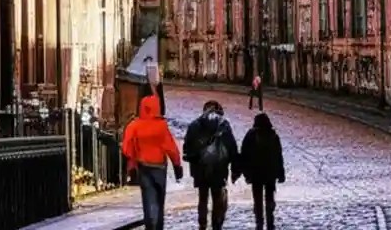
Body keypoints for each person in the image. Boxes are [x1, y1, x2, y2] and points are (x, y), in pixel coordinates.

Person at [121, 95, 183, 230]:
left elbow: (127, 148)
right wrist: (177, 166)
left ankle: (151, 226)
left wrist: (131, 166)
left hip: (143, 166)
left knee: (149, 199)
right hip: (160, 166)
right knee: (159, 200)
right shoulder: (161, 126)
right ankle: (158, 226)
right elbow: (171, 148)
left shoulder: (134, 126)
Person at [183, 100, 240, 230]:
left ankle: (202, 224)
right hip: (219, 168)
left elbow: (187, 148)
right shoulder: (224, 125)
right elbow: (232, 147)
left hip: (200, 168)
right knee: (217, 196)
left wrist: (193, 160)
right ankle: (216, 224)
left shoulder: (195, 125)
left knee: (203, 197)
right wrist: (236, 169)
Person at [239, 112, 286, 230]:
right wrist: (281, 173)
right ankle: (270, 221)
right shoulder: (273, 135)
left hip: (256, 173)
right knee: (270, 196)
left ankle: (259, 222)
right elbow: (278, 155)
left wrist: (245, 172)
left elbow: (244, 154)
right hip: (270, 172)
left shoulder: (251, 135)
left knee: (257, 198)